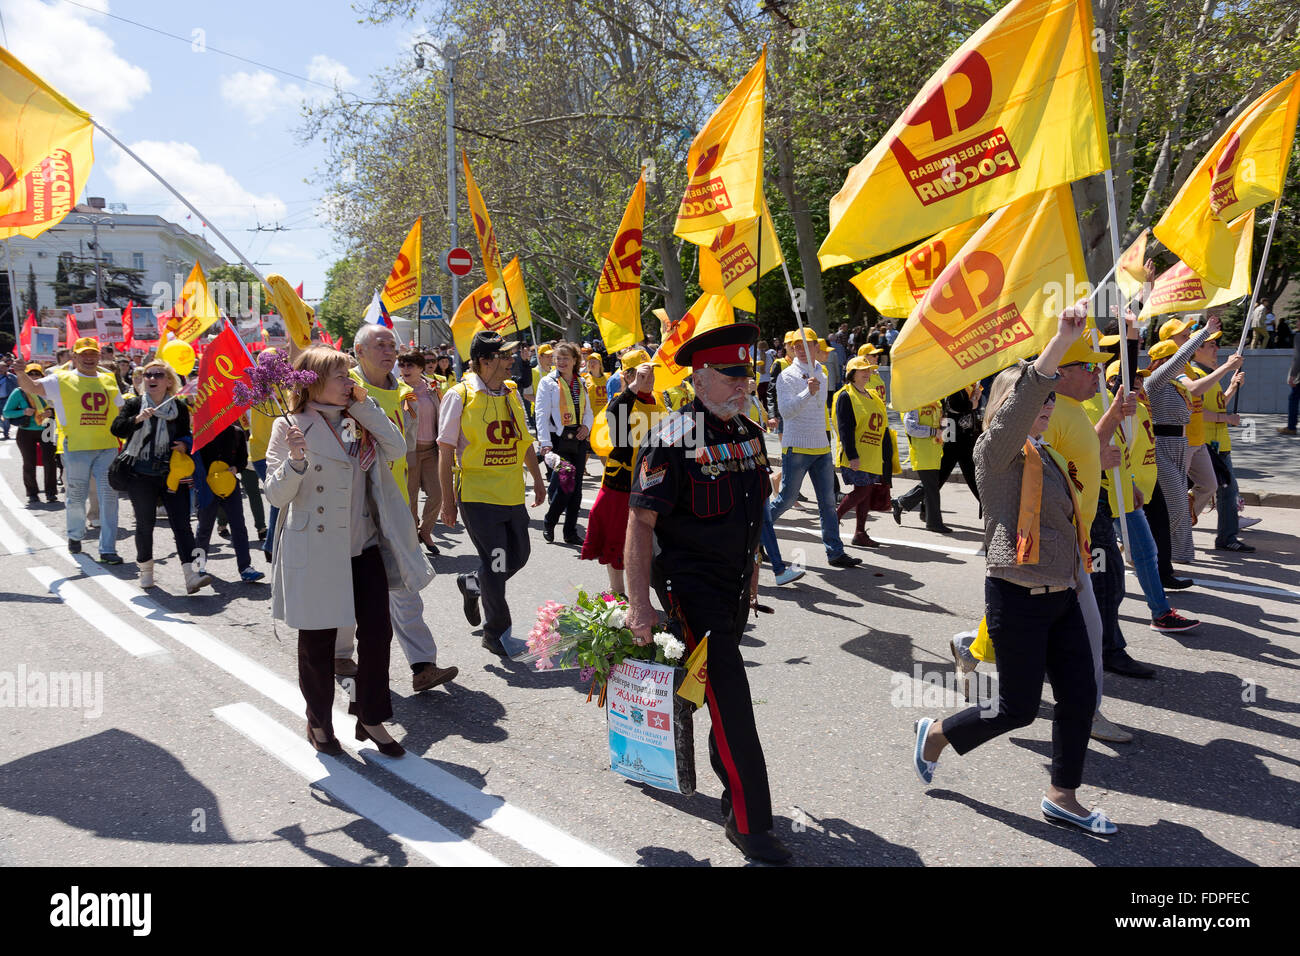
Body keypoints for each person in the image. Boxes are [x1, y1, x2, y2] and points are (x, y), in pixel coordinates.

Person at [914, 302, 1117, 836]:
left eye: (1051, 400)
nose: (1047, 406)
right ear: (1009, 407)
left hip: (1065, 593)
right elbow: (1017, 411)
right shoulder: (994, 454)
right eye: (1038, 399)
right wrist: (1056, 345)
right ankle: (936, 734)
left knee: (1079, 697)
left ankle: (1062, 796)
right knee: (1016, 709)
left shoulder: (1044, 453)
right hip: (1017, 598)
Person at [626, 322, 792, 863]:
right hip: (689, 591)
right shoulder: (672, 438)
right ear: (699, 379)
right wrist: (638, 606)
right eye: (732, 375)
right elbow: (641, 525)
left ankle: (652, 739)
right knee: (733, 702)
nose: (745, 384)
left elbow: (751, 517)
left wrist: (753, 575)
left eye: (747, 373)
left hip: (732, 587)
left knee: (700, 690)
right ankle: (751, 825)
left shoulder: (748, 432)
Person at [266, 346, 433, 757]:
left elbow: (395, 448)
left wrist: (365, 404)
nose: (350, 383)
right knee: (318, 642)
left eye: (349, 376)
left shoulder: (360, 418)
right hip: (317, 549)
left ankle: (371, 717)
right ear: (313, 381)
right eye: (341, 377)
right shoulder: (289, 426)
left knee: (377, 633)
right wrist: (297, 460)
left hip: (365, 544)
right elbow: (274, 494)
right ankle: (319, 722)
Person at [342, 324, 457, 692]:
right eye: (379, 344)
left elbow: (404, 452)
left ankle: (423, 665)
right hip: (353, 506)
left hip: (393, 504)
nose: (389, 350)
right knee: (351, 586)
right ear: (359, 351)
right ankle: (341, 656)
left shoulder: (406, 393)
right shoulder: (343, 389)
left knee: (404, 581)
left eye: (392, 344)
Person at [438, 330, 545, 657]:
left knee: (519, 556)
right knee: (497, 564)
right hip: (478, 497)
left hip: (512, 494)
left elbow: (523, 441)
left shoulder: (511, 392)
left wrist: (539, 480)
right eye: (504, 356)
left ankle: (474, 582)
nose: (511, 361)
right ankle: (495, 633)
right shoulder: (460, 395)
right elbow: (444, 452)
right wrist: (447, 501)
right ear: (484, 362)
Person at [109, 359, 212, 593]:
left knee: (182, 525)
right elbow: (116, 429)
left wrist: (184, 445)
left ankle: (191, 575)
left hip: (171, 476)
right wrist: (137, 419)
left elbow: (188, 435)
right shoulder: (134, 404)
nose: (152, 378)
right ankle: (146, 571)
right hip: (140, 476)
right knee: (145, 525)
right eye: (148, 375)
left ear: (168, 382)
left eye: (158, 375)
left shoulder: (180, 407)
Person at [16, 338, 123, 562]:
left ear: (98, 356)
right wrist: (20, 372)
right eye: (83, 354)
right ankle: (75, 535)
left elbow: (120, 409)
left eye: (93, 353)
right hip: (77, 449)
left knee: (109, 497)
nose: (89, 358)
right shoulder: (61, 379)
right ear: (74, 357)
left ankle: (108, 549)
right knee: (76, 496)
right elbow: (32, 387)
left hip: (108, 447)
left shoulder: (108, 378)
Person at [769, 327, 861, 569]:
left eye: (805, 344)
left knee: (828, 502)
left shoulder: (822, 371)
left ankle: (835, 552)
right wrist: (806, 393)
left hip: (821, 447)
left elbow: (820, 411)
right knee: (786, 500)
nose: (799, 349)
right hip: (796, 446)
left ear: (816, 348)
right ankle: (757, 536)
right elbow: (787, 412)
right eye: (795, 345)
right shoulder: (786, 376)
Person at [1145, 316, 1228, 563]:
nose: (1183, 361)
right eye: (1176, 358)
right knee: (1177, 504)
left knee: (1175, 505)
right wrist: (1204, 333)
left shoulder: (1176, 385)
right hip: (1162, 447)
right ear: (1164, 362)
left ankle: (1175, 556)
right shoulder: (1156, 381)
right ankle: (1159, 555)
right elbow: (1182, 359)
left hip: (1181, 447)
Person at [581, 350, 662, 595]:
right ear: (627, 375)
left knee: (652, 548)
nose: (650, 378)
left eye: (652, 372)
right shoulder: (619, 401)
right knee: (616, 542)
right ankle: (617, 594)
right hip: (621, 485)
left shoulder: (660, 402)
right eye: (642, 373)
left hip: (652, 485)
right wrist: (634, 387)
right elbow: (614, 418)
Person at [1190, 333, 1252, 552]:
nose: (1216, 349)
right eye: (1211, 345)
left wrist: (1232, 387)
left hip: (1218, 445)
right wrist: (1226, 419)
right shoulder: (1195, 375)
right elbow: (1196, 412)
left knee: (1225, 491)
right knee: (1224, 490)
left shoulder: (1210, 377)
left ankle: (1224, 536)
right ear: (1197, 350)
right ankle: (1223, 536)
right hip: (1204, 446)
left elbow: (1218, 405)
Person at [535, 342, 593, 544]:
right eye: (558, 358)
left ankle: (570, 532)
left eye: (565, 358)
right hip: (557, 440)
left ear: (575, 360)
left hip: (578, 439)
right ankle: (550, 521)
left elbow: (588, 411)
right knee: (566, 482)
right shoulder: (548, 382)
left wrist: (586, 427)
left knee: (576, 489)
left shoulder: (581, 382)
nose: (560, 362)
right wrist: (544, 442)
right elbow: (541, 414)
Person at [193, 420, 265, 584]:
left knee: (239, 527)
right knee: (204, 527)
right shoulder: (201, 432)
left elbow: (242, 459)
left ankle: (245, 568)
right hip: (207, 487)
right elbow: (195, 460)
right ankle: (198, 567)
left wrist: (236, 468)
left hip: (230, 486)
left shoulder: (237, 433)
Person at [833, 356, 893, 547]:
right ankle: (834, 518)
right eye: (863, 370)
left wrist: (885, 454)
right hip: (856, 455)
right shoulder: (845, 396)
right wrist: (852, 455)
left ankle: (860, 533)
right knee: (863, 490)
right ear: (852, 374)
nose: (867, 373)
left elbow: (883, 426)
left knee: (866, 493)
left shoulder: (873, 395)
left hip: (873, 454)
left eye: (869, 370)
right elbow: (845, 428)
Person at [397, 349, 442, 556]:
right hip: (409, 451)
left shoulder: (433, 387)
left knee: (437, 495)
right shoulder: (397, 388)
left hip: (432, 449)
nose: (405, 369)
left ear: (420, 368)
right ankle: (412, 536)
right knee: (410, 499)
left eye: (410, 365)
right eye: (402, 365)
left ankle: (425, 532)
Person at [4, 362, 58, 503]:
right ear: (25, 376)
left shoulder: (49, 390)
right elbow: (6, 412)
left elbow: (61, 408)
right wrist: (23, 411)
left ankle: (51, 493)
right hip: (26, 431)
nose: (33, 377)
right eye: (30, 374)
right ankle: (32, 493)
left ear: (42, 376)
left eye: (37, 374)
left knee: (50, 462)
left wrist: (51, 412)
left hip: (47, 428)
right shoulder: (19, 392)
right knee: (29, 462)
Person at [893, 397, 949, 533]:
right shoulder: (913, 403)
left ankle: (901, 502)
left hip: (935, 451)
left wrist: (945, 430)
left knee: (931, 486)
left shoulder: (938, 401)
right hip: (922, 452)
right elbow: (911, 428)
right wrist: (933, 432)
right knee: (932, 489)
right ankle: (934, 523)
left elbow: (943, 422)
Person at [1281, 332, 1300, 436]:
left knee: (1293, 399)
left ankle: (1291, 427)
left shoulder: (1298, 336)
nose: (1297, 323)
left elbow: (1298, 357)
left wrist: (1293, 375)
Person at [0, 357, 17, 440]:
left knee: (5, 417)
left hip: (6, 399)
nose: (1, 369)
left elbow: (18, 383)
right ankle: (4, 427)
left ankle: (6, 431)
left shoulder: (10, 377)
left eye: (3, 367)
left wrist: (10, 375)